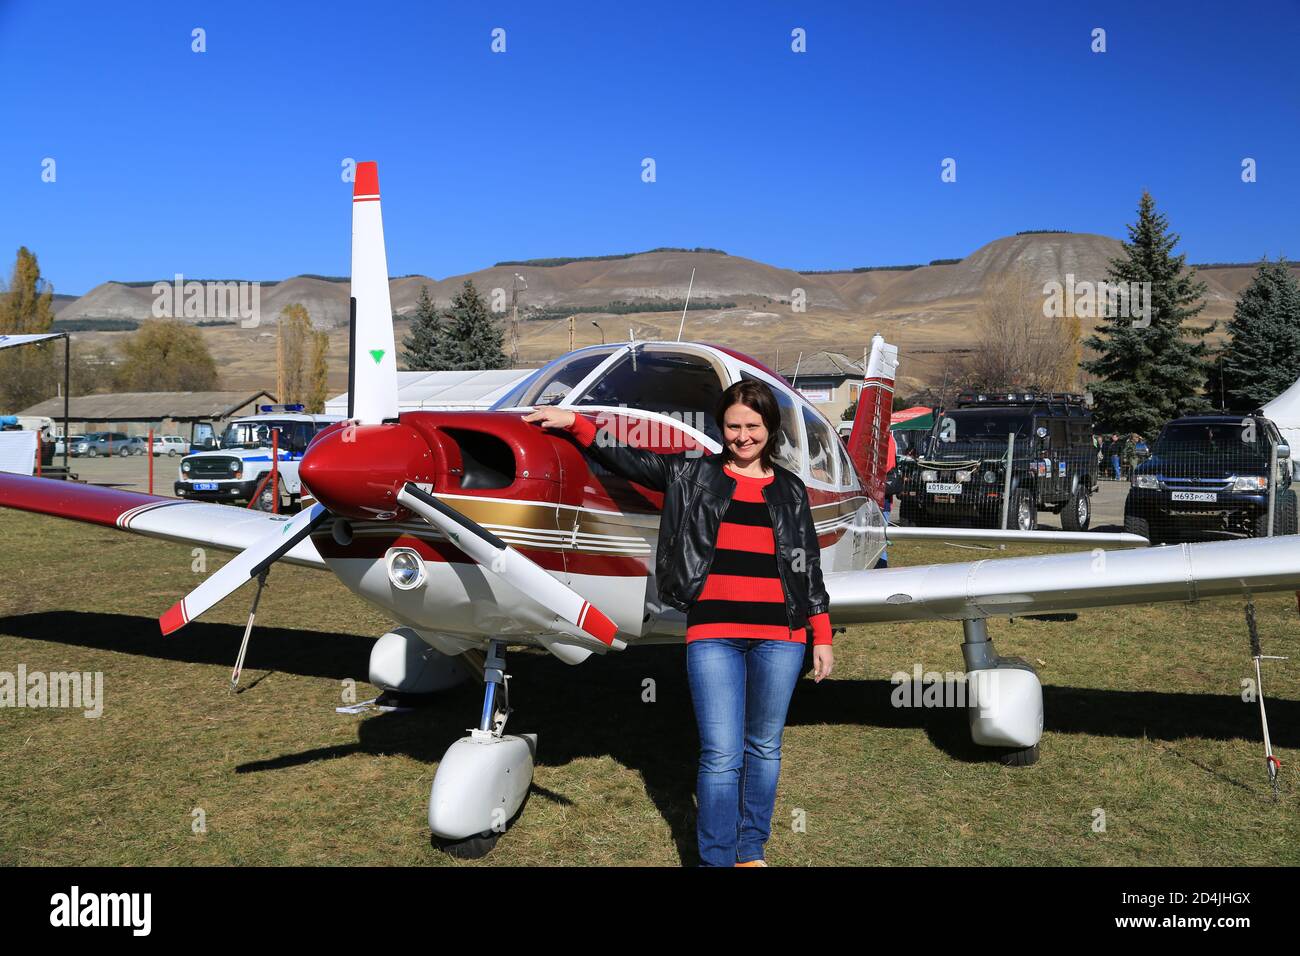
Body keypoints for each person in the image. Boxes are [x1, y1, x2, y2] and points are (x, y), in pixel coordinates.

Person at [522, 380, 833, 867]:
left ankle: (750, 849)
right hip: (714, 634)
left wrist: (822, 634)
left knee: (765, 747)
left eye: (754, 426)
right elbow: (631, 459)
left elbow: (807, 566)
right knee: (721, 754)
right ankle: (714, 858)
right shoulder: (692, 475)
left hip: (782, 636)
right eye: (733, 426)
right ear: (720, 427)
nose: (743, 436)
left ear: (770, 429)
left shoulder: (791, 490)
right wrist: (578, 424)